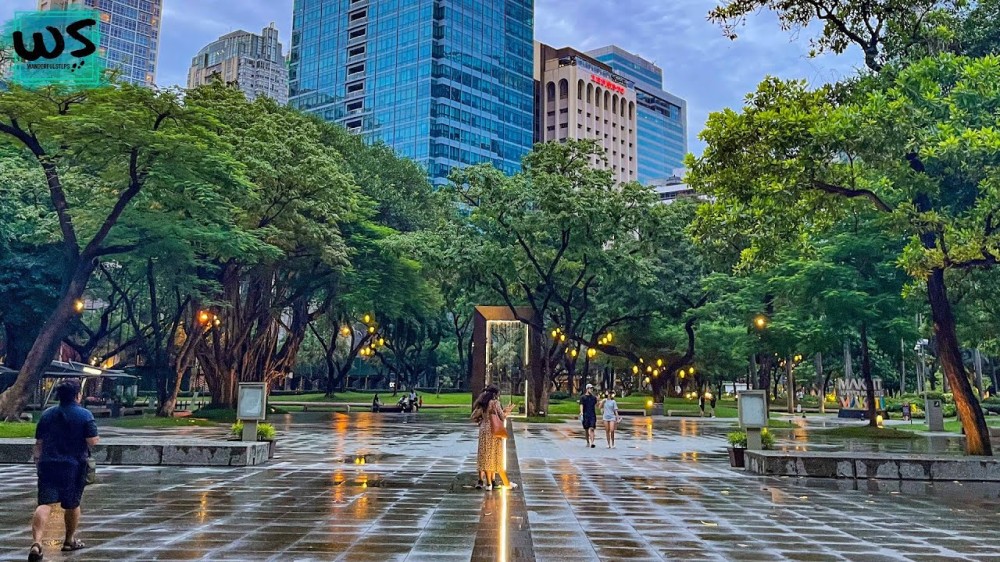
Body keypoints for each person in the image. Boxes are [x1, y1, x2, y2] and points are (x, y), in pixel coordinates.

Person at [29, 379, 99, 562]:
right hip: (74, 466)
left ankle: (37, 543)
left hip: (48, 464)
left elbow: (39, 443)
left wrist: (38, 461)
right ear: (77, 395)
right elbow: (92, 440)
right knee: (72, 504)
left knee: (44, 504)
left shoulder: (47, 414)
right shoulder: (85, 415)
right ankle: (69, 540)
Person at [471, 384, 516, 491]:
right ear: (495, 394)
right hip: (494, 431)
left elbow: (473, 416)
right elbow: (502, 416)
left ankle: (487, 483)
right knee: (493, 455)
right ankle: (491, 482)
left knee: (485, 455)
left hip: (483, 430)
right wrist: (507, 411)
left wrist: (482, 420)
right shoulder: (495, 403)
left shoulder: (482, 403)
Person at [579, 384, 598, 448]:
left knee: (592, 428)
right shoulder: (583, 397)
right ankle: (588, 441)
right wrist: (581, 412)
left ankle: (592, 443)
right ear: (587, 389)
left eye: (592, 388)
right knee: (586, 429)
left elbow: (596, 405)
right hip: (586, 415)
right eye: (590, 388)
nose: (591, 390)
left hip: (592, 415)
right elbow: (581, 405)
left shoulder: (593, 398)